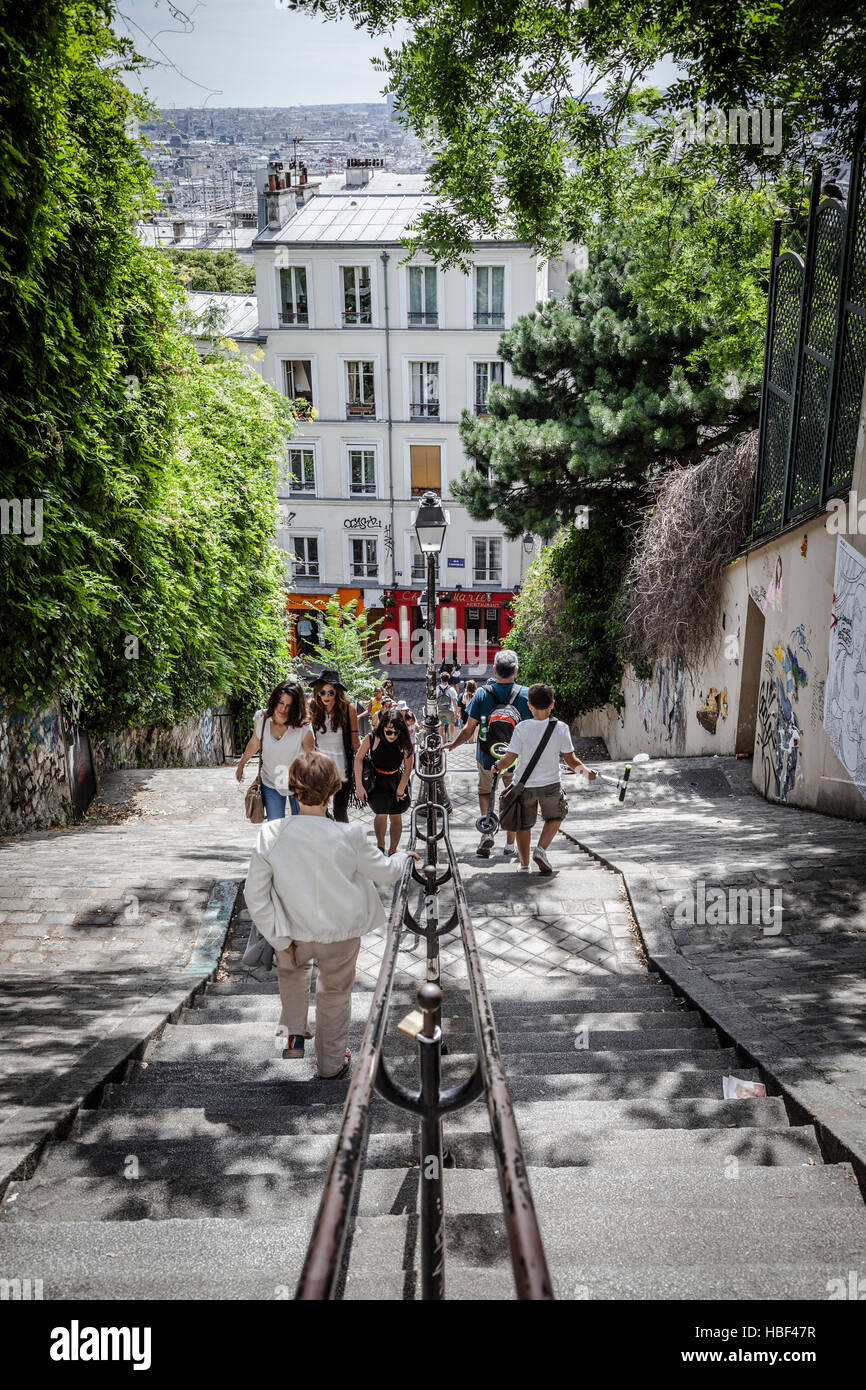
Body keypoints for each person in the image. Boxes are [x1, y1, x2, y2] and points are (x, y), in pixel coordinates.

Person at [244, 752, 415, 1079]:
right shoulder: (349, 835)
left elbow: (256, 895)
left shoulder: (271, 835)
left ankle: (294, 1031)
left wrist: (279, 939)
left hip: (292, 931)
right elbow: (384, 872)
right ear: (335, 789)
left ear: (292, 789)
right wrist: (403, 858)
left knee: (292, 974)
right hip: (340, 932)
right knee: (335, 996)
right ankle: (331, 1064)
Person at [493, 682, 596, 873]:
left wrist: (496, 767)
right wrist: (586, 773)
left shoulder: (522, 728)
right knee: (556, 816)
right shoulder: (561, 728)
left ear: (529, 705)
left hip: (523, 786)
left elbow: (509, 758)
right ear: (552, 704)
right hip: (550, 784)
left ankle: (524, 865)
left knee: (523, 825)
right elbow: (571, 760)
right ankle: (540, 849)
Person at [449, 649, 531, 857]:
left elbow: (468, 729)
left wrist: (452, 745)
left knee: (486, 791)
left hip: (487, 756)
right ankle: (510, 844)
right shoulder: (526, 694)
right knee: (513, 797)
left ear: (494, 670)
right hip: (516, 758)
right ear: (516, 670)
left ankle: (487, 828)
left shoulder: (482, 694)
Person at [236, 682, 313, 819]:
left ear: (296, 708)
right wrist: (241, 764)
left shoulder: (303, 727)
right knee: (275, 826)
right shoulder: (261, 719)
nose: (283, 709)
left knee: (301, 826)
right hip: (271, 781)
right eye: (280, 703)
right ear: (274, 701)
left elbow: (311, 757)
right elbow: (254, 742)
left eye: (289, 706)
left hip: (299, 784)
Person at [354, 709, 414, 854]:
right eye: (389, 732)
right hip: (377, 780)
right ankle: (380, 846)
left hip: (396, 779)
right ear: (383, 728)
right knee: (380, 813)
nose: (392, 735)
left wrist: (401, 789)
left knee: (396, 815)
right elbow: (358, 758)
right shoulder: (372, 738)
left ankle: (393, 850)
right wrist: (359, 786)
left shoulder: (404, 741)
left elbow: (408, 767)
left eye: (396, 732)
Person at [310, 668, 360, 822]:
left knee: (340, 811)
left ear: (337, 692)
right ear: (317, 692)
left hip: (342, 768)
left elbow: (355, 742)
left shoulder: (348, 709)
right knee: (320, 810)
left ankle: (344, 842)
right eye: (322, 692)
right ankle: (327, 840)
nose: (326, 696)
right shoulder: (311, 708)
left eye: (330, 692)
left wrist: (359, 767)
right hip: (319, 769)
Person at [435, 668, 460, 746]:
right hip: (449, 710)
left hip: (440, 710)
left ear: (441, 679)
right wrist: (456, 712)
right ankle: (451, 740)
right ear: (448, 679)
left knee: (441, 726)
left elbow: (435, 700)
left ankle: (442, 740)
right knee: (451, 724)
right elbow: (455, 702)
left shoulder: (437, 688)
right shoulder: (451, 689)